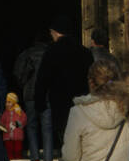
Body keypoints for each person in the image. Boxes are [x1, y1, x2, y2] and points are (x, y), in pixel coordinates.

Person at [34, 15, 93, 153]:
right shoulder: (85, 52)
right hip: (83, 103)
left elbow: (42, 79)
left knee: (67, 142)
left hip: (60, 104)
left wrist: (40, 103)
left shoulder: (51, 52)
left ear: (55, 32)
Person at [14, 30, 54, 161]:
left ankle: (35, 160)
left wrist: (24, 86)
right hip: (47, 95)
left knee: (31, 127)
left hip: (29, 94)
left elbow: (18, 74)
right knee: (47, 128)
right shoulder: (51, 54)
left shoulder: (26, 54)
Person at [0, 92, 27, 161]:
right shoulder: (5, 112)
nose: (7, 104)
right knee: (9, 150)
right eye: (6, 102)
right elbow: (1, 122)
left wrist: (17, 124)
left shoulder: (19, 111)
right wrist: (3, 128)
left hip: (17, 135)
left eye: (9, 102)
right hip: (7, 136)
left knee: (18, 149)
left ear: (14, 102)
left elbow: (24, 119)